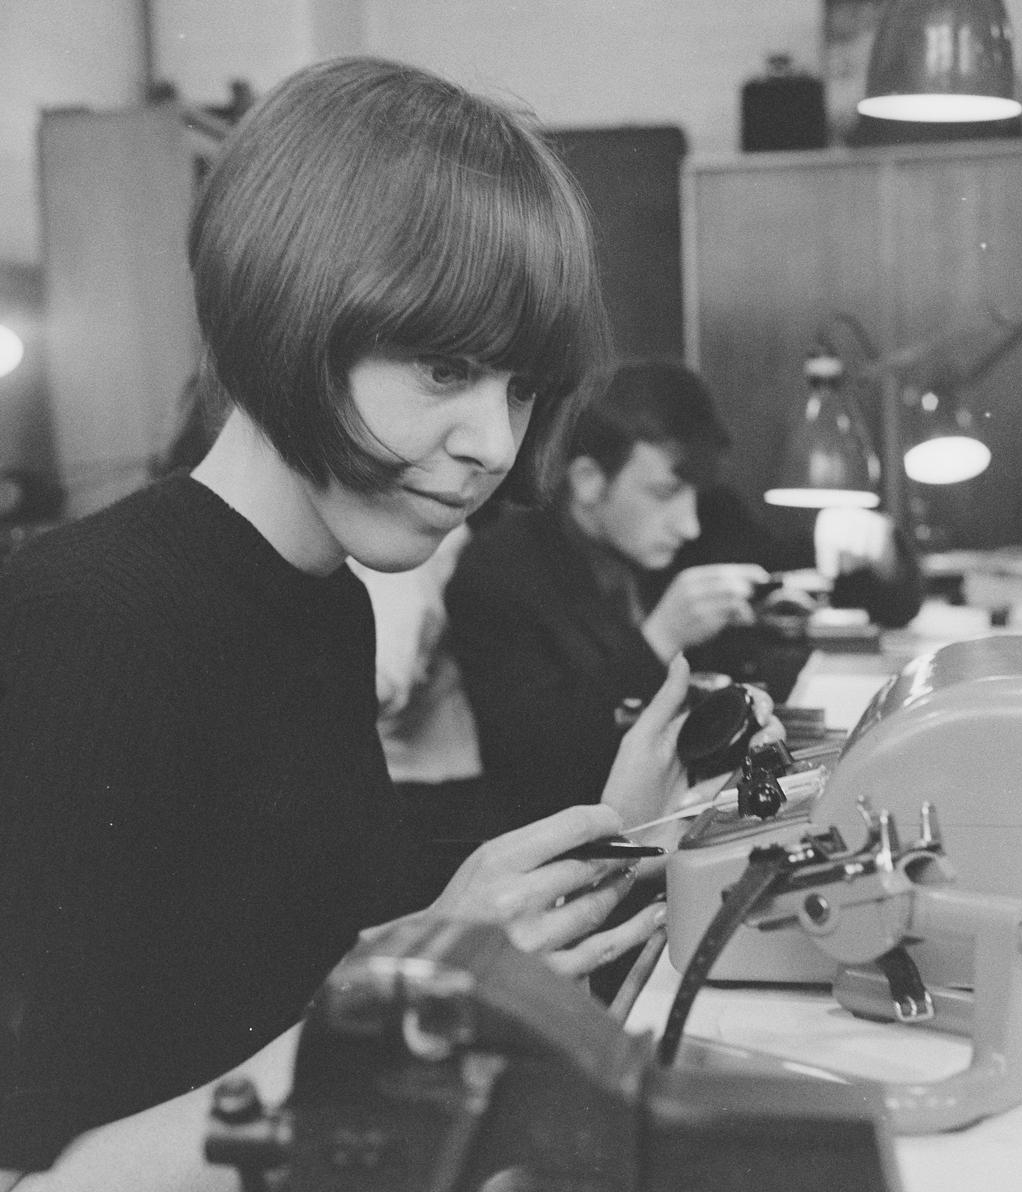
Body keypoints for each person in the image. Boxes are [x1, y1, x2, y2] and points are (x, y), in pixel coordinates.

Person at [0, 59, 702, 1187]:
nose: (496, 443)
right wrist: (420, 982)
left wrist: (585, 855)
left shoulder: (323, 597)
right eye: (445, 366)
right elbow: (44, 1173)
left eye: (520, 389)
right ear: (293, 309)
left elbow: (286, 965)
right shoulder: (86, 625)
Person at [445, 358, 923, 832]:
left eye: (694, 492)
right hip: (594, 843)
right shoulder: (497, 575)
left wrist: (879, 551)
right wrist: (657, 640)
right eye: (664, 492)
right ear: (589, 480)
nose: (689, 522)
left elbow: (890, 604)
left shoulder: (711, 520)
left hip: (730, 807)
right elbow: (533, 769)